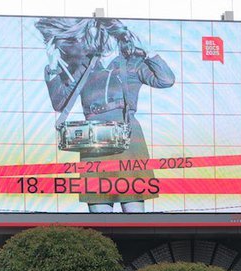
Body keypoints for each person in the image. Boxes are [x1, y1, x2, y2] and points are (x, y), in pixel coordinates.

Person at [36, 17, 175, 213]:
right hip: (94, 144)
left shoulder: (133, 63)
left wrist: (149, 52)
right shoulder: (85, 65)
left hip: (128, 142)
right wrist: (52, 68)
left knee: (133, 216)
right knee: (100, 218)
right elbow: (60, 103)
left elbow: (166, 80)